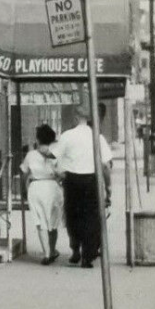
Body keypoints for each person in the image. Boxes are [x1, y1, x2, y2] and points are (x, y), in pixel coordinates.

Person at [52, 101, 112, 268]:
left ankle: (75, 249)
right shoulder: (97, 137)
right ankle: (87, 255)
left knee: (72, 216)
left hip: (71, 181)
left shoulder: (66, 136)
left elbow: (54, 157)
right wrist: (108, 189)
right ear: (88, 117)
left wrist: (60, 173)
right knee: (91, 218)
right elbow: (106, 165)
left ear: (75, 117)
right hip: (91, 181)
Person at [19, 124, 64, 265]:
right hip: (53, 187)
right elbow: (62, 174)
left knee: (40, 221)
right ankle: (52, 249)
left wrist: (23, 190)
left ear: (38, 139)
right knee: (53, 221)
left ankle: (46, 254)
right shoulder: (55, 155)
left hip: (36, 187)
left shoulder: (30, 155)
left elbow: (23, 172)